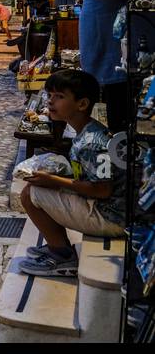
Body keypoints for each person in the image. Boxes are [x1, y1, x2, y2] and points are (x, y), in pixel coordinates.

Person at [19, 69, 126, 277]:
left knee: (30, 194)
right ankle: (58, 246)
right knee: (36, 188)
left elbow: (103, 190)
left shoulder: (92, 142)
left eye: (59, 97)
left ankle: (62, 256)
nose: (50, 102)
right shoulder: (87, 131)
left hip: (110, 217)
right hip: (107, 209)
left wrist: (53, 180)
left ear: (82, 104)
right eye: (49, 95)